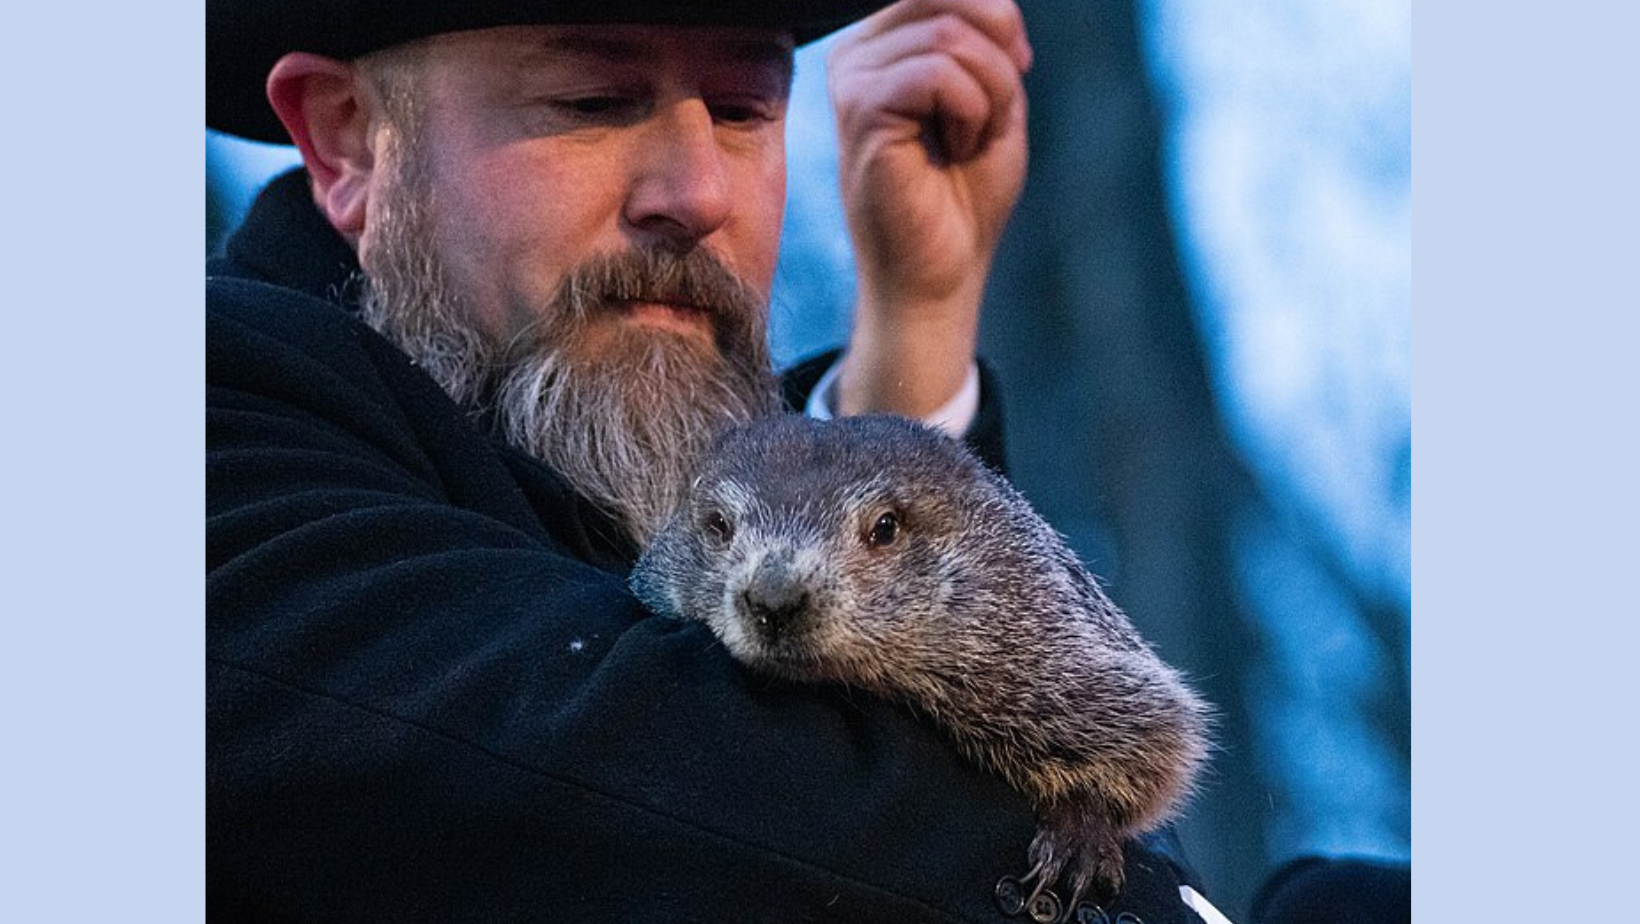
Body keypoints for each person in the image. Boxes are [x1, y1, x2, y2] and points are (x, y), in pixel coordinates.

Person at [206, 0, 1233, 920]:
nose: (697, 194)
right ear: (350, 141)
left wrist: (912, 337)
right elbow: (660, 783)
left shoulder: (651, 467)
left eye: (742, 110)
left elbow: (1077, 797)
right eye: (593, 101)